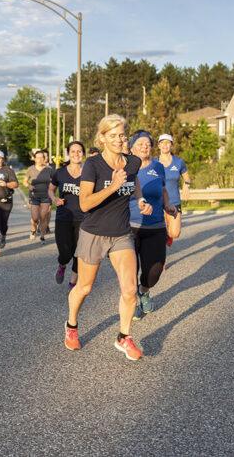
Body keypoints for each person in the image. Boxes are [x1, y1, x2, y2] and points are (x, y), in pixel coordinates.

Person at [64, 114, 145, 361]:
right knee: (85, 287)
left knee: (130, 289)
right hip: (94, 233)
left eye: (122, 135)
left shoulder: (133, 162)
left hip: (121, 233)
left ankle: (123, 336)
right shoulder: (93, 165)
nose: (120, 140)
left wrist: (140, 199)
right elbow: (85, 203)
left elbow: (134, 182)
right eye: (113, 136)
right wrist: (112, 186)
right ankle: (71, 325)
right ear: (102, 138)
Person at [129, 131, 177, 320]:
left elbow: (163, 189)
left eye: (147, 144)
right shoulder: (125, 167)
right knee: (130, 271)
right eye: (140, 143)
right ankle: (131, 302)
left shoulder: (158, 167)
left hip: (156, 226)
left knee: (154, 271)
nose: (144, 146)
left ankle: (145, 291)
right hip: (129, 227)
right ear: (132, 147)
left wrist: (167, 205)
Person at [48, 141, 85, 288]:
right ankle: (62, 265)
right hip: (64, 217)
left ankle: (73, 283)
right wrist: (55, 199)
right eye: (73, 151)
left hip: (83, 218)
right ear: (68, 154)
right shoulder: (60, 172)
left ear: (83, 153)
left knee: (79, 252)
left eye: (79, 151)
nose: (76, 154)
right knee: (65, 252)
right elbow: (50, 189)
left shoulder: (89, 172)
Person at [155, 134, 190, 246]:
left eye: (168, 142)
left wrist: (186, 185)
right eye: (162, 142)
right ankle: (161, 261)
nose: (165, 145)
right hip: (158, 203)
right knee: (159, 234)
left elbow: (186, 177)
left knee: (174, 233)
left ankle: (168, 237)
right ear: (159, 145)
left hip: (174, 202)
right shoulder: (153, 163)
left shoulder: (179, 162)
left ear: (172, 145)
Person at [23, 150, 56, 244]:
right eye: (38, 158)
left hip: (46, 196)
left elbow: (54, 181)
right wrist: (28, 186)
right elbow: (24, 181)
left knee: (43, 216)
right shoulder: (30, 169)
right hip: (34, 196)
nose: (40, 159)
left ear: (44, 159)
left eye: (42, 157)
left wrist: (52, 189)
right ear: (35, 159)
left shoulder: (49, 169)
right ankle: (34, 229)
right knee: (35, 217)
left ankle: (42, 236)